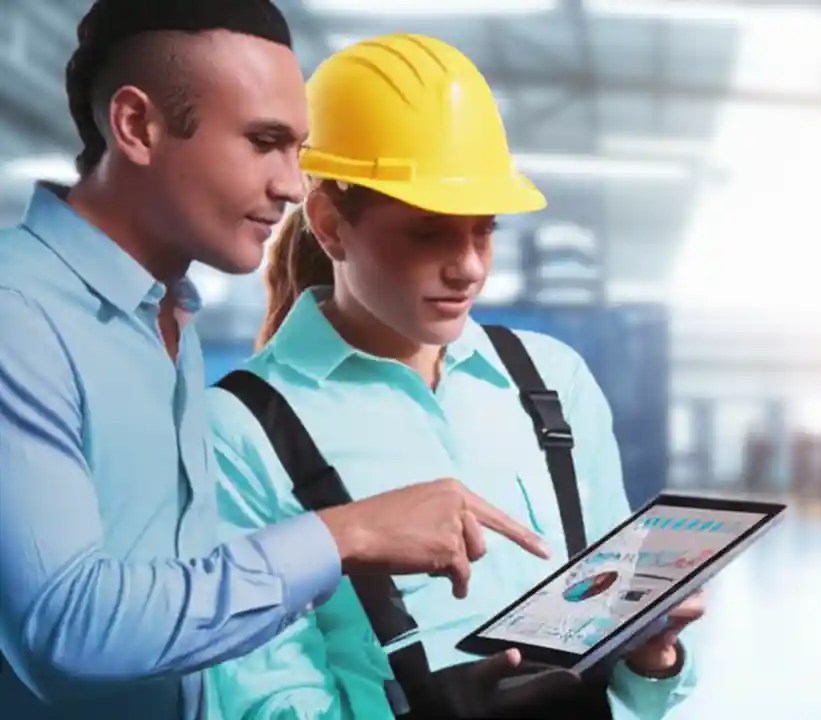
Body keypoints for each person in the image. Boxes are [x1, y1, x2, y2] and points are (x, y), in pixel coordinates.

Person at [0, 4, 550, 719]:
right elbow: (65, 629)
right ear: (136, 126)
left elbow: (185, 615)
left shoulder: (163, 319)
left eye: (298, 149)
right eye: (265, 142)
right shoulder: (19, 314)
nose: (293, 185)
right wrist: (348, 532)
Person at [206, 34, 702, 720]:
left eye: (483, 230)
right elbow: (261, 698)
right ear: (329, 225)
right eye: (428, 232)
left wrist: (652, 653)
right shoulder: (241, 429)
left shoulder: (552, 382)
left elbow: (624, 648)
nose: (468, 265)